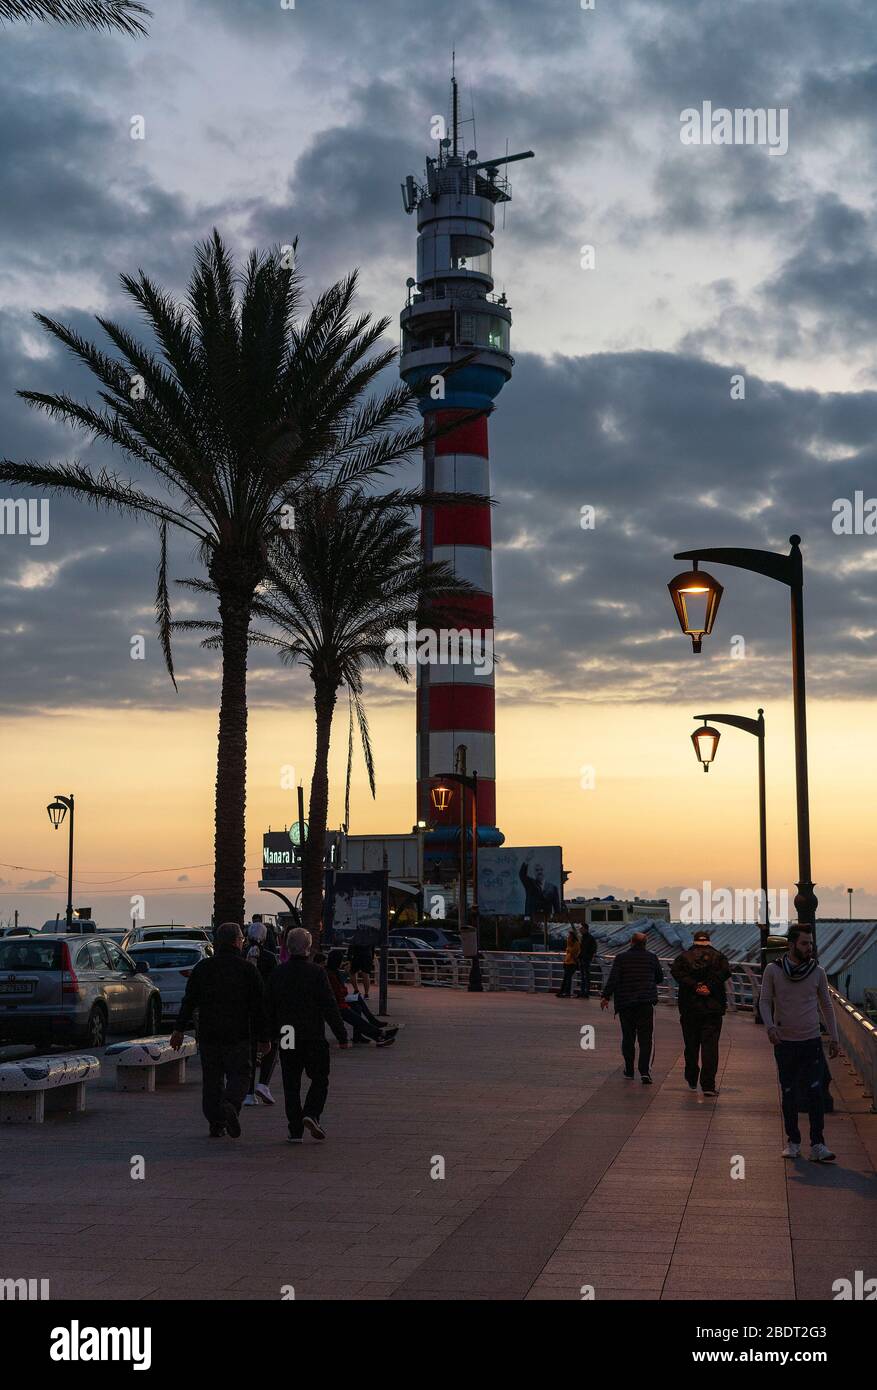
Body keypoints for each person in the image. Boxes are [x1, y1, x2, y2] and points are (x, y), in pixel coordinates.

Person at [170, 921, 269, 1139]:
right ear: (236, 942)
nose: (243, 942)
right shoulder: (247, 970)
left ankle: (216, 1123)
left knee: (212, 1079)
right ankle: (230, 1104)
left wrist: (178, 1029)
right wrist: (264, 1037)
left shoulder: (203, 968)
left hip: (209, 1034)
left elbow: (189, 1001)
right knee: (241, 1074)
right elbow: (259, 1006)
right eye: (242, 939)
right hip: (238, 1034)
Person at [759, 924, 839, 1162]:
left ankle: (818, 1144)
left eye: (811, 943)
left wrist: (834, 1037)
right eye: (805, 943)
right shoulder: (773, 971)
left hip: (811, 1040)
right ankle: (793, 1142)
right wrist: (770, 1027)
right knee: (789, 1092)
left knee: (815, 1093)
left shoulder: (818, 972)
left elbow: (826, 1005)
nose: (809, 948)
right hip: (785, 1041)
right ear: (792, 944)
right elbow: (764, 1001)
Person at [266, 926, 350, 1144]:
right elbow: (329, 1005)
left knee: (290, 1082)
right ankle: (311, 1113)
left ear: (287, 947)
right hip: (312, 1031)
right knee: (320, 1078)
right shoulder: (317, 973)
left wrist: (265, 1037)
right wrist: (341, 1035)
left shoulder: (278, 973)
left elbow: (269, 1007)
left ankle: (295, 1130)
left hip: (287, 1032)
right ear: (308, 948)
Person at [670, 929, 731, 1096]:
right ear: (709, 941)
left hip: (689, 1008)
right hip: (712, 1009)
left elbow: (676, 973)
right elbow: (725, 972)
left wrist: (694, 986)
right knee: (710, 1047)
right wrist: (708, 987)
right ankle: (708, 1085)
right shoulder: (719, 957)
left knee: (691, 1045)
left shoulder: (683, 957)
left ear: (695, 941)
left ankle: (691, 1077)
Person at [600, 931, 664, 1084]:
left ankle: (629, 1070)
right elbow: (660, 978)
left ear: (631, 942)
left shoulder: (621, 958)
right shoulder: (652, 957)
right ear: (645, 943)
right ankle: (644, 1072)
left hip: (625, 1004)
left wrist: (606, 996)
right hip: (645, 1003)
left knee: (628, 1038)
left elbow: (614, 979)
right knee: (646, 1039)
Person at [324, 949, 397, 1046]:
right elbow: (341, 991)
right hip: (335, 1004)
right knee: (353, 1007)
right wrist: (345, 974)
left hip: (337, 1002)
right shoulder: (330, 974)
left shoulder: (333, 972)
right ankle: (379, 1033)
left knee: (357, 1006)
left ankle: (368, 1034)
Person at [243, 921, 279, 1106]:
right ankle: (263, 1084)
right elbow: (275, 985)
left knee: (248, 1051)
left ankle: (248, 1093)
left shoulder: (241, 956)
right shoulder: (270, 958)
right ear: (265, 938)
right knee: (271, 1046)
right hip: (266, 1012)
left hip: (244, 1011)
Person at [347, 926, 376, 998]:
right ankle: (366, 993)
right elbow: (372, 949)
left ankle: (356, 990)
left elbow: (351, 947)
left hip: (357, 955)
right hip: (367, 956)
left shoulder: (356, 936)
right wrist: (371, 958)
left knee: (352, 972)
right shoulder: (370, 937)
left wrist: (349, 958)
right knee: (365, 974)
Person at [555, 927, 580, 998]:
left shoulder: (576, 943)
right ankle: (562, 991)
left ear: (573, 936)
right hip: (567, 962)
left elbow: (573, 951)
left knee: (568, 978)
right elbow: (568, 951)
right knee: (565, 978)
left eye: (569, 936)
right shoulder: (569, 943)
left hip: (572, 963)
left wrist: (569, 946)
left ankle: (567, 992)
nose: (568, 937)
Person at [577, 924, 597, 998]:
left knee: (586, 976)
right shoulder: (583, 938)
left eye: (581, 928)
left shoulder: (590, 938)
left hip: (586, 959)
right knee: (583, 976)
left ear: (585, 929)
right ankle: (583, 992)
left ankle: (586, 992)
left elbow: (593, 949)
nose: (580, 930)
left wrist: (588, 956)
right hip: (582, 959)